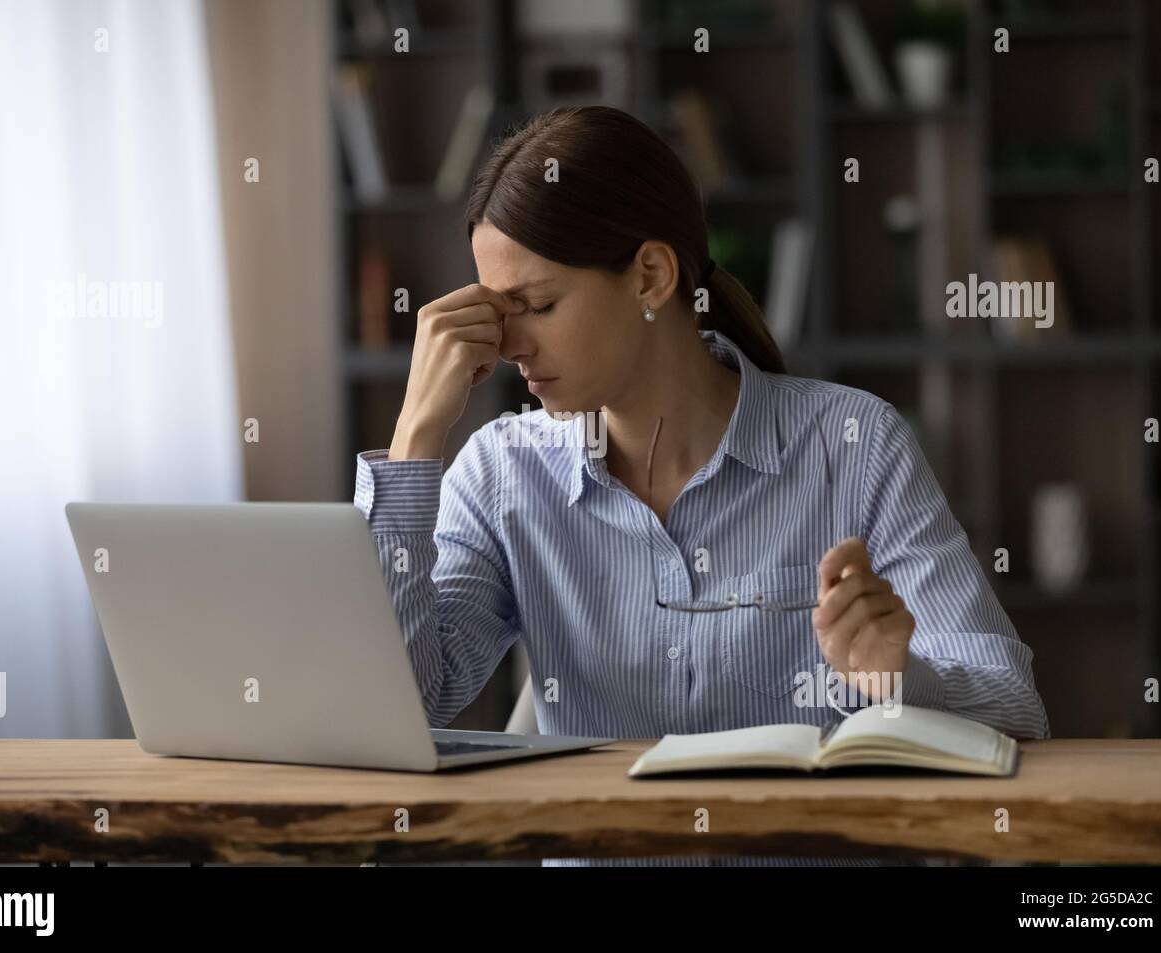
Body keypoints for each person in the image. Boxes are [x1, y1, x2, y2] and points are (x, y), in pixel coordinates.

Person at [352, 105, 1049, 866]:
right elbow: (403, 704)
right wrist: (416, 436)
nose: (512, 344)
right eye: (495, 310)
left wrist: (898, 678)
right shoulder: (502, 473)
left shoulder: (852, 446)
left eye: (539, 306)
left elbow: (1014, 709)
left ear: (650, 275)